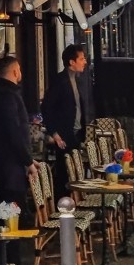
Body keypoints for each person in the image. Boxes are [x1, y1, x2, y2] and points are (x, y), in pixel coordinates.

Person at [0, 54, 40, 265]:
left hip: (4, 164)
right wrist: (27, 161)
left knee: (9, 211)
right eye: (20, 70)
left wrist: (28, 160)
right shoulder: (7, 97)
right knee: (10, 212)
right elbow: (13, 133)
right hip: (9, 167)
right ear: (15, 72)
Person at [41, 43, 93, 195]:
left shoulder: (77, 80)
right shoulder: (60, 80)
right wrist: (55, 134)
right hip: (64, 135)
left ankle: (73, 201)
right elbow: (46, 108)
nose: (85, 62)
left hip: (75, 134)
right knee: (64, 174)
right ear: (72, 62)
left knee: (75, 172)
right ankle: (62, 204)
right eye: (81, 59)